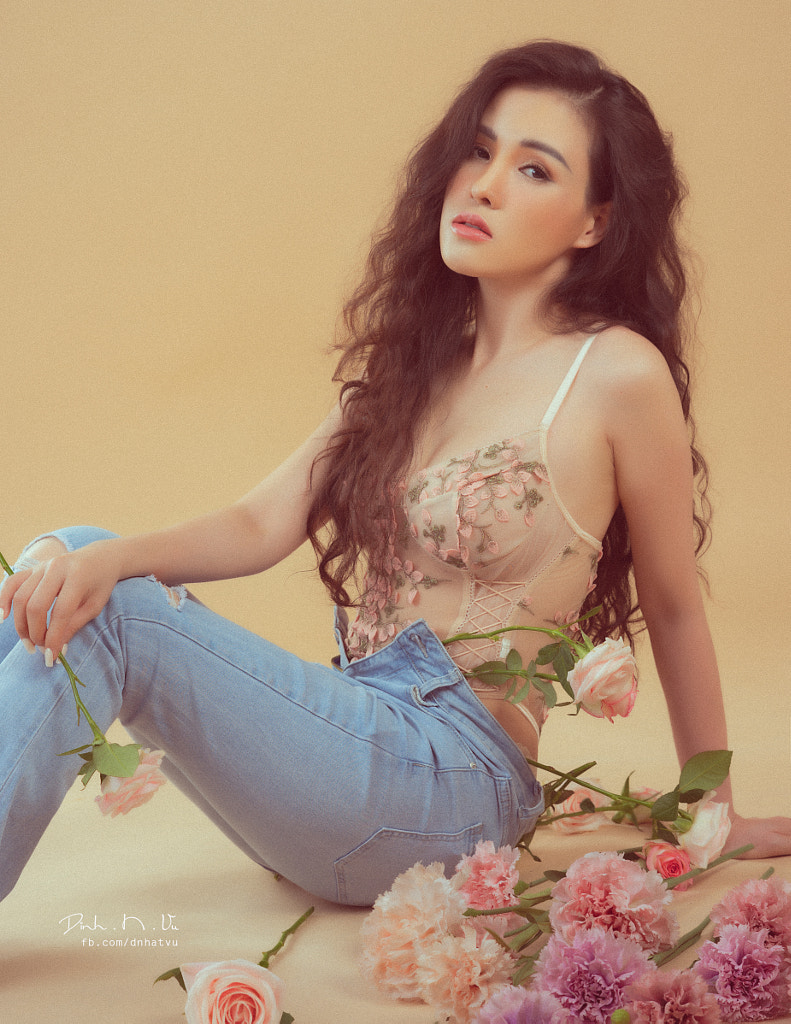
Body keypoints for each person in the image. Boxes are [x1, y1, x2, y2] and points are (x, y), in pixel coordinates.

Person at [1, 41, 789, 908]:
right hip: (357, 749)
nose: (484, 184)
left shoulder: (613, 375)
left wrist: (714, 814)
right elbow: (258, 524)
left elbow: (673, 602)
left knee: (111, 604)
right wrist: (103, 556)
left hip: (451, 792)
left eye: (533, 170)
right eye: (479, 151)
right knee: (70, 555)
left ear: (593, 221)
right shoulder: (415, 373)